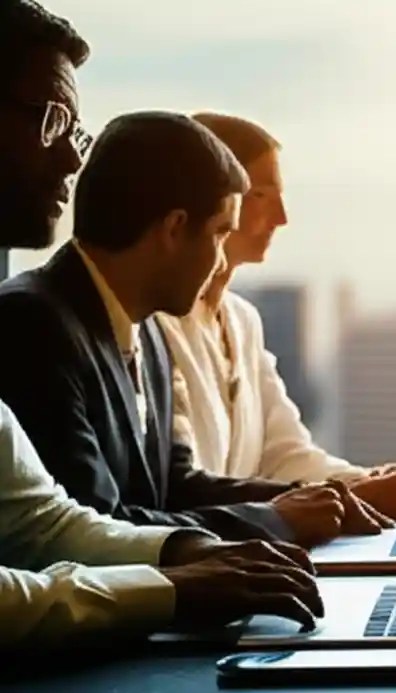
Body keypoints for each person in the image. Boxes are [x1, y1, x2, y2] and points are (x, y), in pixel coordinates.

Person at [0, 0, 320, 648]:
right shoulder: (29, 322)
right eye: (53, 121)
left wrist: (192, 551)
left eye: (76, 132)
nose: (71, 160)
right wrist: (179, 583)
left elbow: (41, 521)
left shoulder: (146, 333)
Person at [0, 109, 395, 548]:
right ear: (174, 229)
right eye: (221, 234)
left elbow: (175, 485)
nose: (222, 261)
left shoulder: (144, 327)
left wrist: (316, 500)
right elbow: (96, 526)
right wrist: (275, 520)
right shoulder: (31, 325)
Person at [155, 111, 396, 521]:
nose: (282, 217)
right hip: (223, 553)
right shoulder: (156, 326)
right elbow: (183, 487)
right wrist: (366, 492)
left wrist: (385, 481)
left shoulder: (243, 321)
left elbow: (287, 456)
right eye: (261, 195)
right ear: (216, 200)